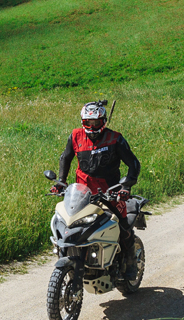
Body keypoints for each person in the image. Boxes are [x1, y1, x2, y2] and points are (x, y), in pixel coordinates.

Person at [56, 100, 141, 274]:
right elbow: (65, 158)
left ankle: (131, 263)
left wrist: (126, 187)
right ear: (82, 121)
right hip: (82, 192)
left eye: (97, 123)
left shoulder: (115, 138)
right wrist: (61, 182)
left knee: (124, 227)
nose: (93, 127)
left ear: (104, 121)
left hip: (111, 191)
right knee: (67, 223)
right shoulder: (75, 136)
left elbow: (133, 163)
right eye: (89, 123)